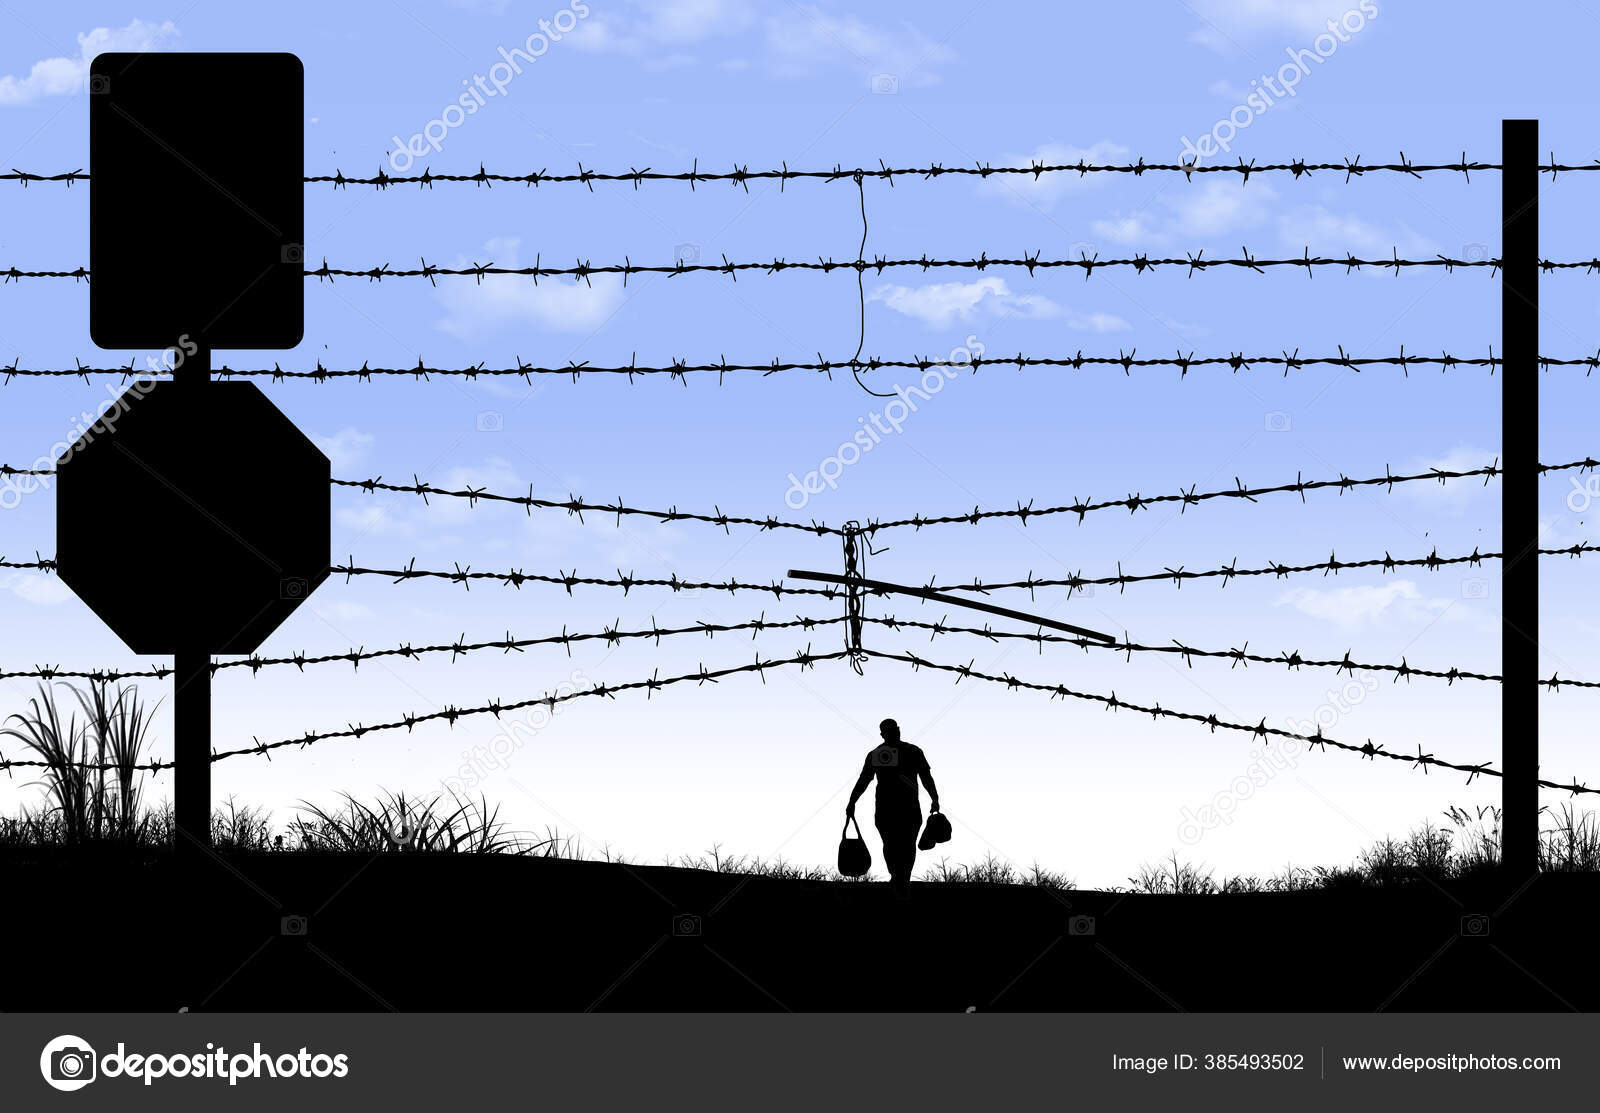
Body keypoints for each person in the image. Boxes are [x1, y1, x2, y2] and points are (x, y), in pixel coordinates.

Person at [846, 718, 940, 898]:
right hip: (888, 809)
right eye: (889, 731)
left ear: (898, 730)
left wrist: (934, 798)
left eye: (894, 730)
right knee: (892, 845)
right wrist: (852, 801)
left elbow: (926, 776)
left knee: (905, 845)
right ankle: (899, 878)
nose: (893, 733)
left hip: (905, 809)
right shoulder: (879, 754)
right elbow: (864, 779)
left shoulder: (912, 751)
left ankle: (901, 879)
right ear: (883, 734)